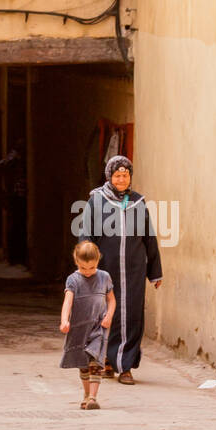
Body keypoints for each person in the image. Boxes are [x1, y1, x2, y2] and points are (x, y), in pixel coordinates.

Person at [79, 155, 162, 384]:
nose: (122, 179)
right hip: (106, 269)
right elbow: (86, 236)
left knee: (133, 315)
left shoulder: (138, 202)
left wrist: (154, 272)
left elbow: (149, 238)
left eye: (126, 175)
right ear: (109, 176)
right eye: (118, 175)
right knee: (107, 315)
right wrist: (86, 268)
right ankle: (107, 360)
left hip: (134, 270)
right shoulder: (96, 201)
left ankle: (125, 367)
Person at [60, 240, 116, 409]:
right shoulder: (73, 280)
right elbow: (67, 302)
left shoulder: (104, 277)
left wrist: (109, 316)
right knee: (83, 365)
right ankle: (86, 394)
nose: (88, 272)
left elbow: (111, 300)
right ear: (76, 261)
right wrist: (64, 320)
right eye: (84, 268)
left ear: (98, 261)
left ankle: (93, 397)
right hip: (79, 329)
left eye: (92, 268)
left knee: (96, 362)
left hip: (99, 327)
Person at [0, 138, 28, 266]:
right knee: (16, 225)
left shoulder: (20, 159)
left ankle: (17, 256)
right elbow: (2, 164)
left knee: (17, 226)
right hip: (16, 195)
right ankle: (15, 256)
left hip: (19, 195)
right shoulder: (15, 157)